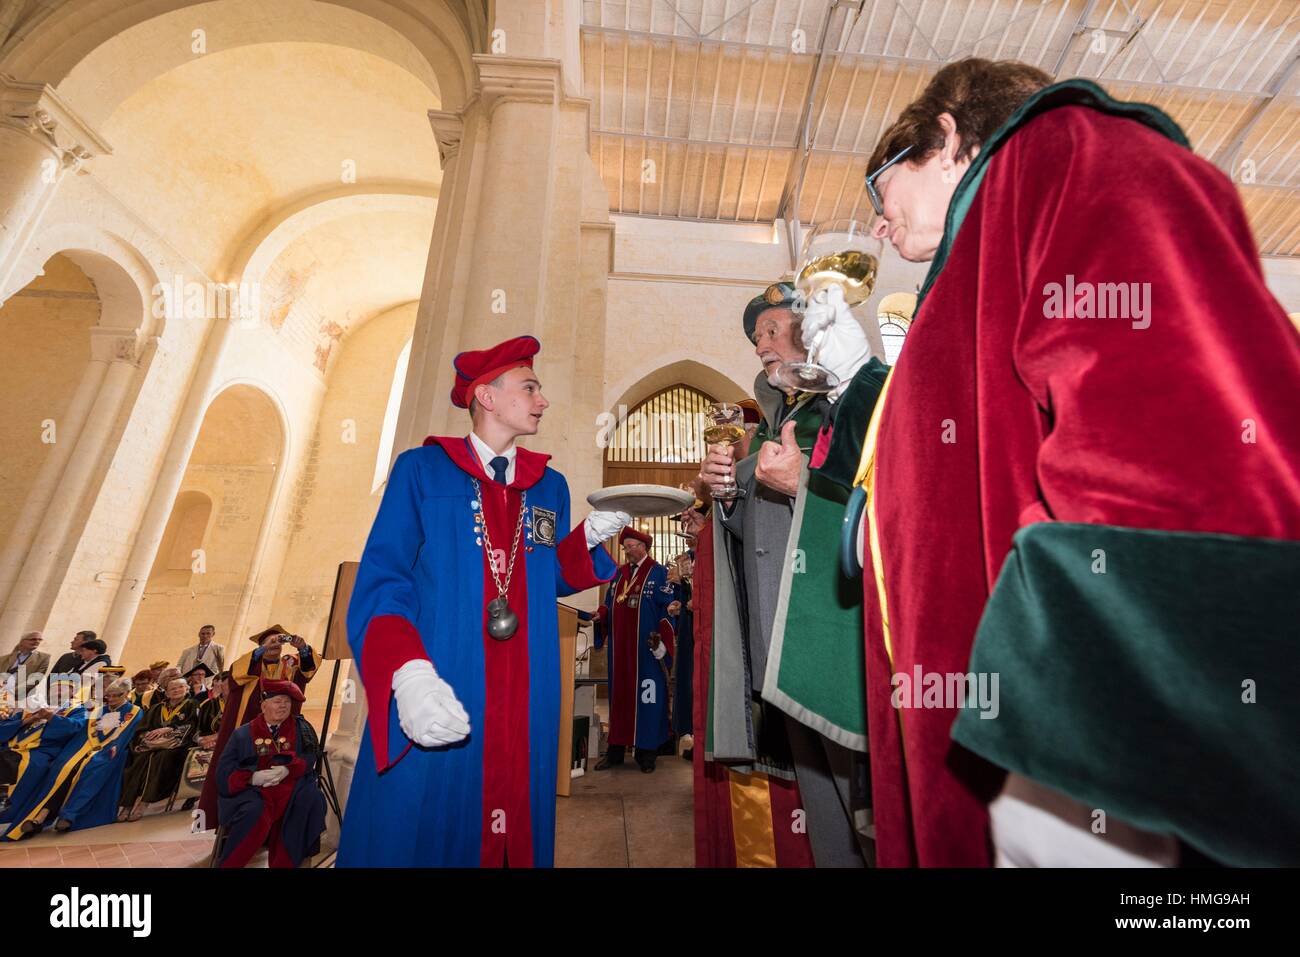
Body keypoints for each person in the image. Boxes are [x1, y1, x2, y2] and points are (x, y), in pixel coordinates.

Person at [855, 58, 1300, 867]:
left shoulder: (1063, 150)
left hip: (1077, 756)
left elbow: (1178, 425)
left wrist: (1090, 728)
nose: (878, 226)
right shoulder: (961, 271)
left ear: (946, 135)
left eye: (879, 186)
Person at [337, 334, 625, 867]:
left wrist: (584, 540)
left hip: (527, 685)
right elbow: (384, 578)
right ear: (486, 397)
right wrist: (407, 673)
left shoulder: (548, 486)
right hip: (446, 674)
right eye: (530, 387)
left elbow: (545, 577)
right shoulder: (422, 471)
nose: (542, 401)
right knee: (427, 815)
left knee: (514, 812)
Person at [698, 281, 886, 867]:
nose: (762, 345)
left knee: (871, 817)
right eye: (758, 338)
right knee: (826, 818)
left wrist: (799, 484)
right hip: (779, 641)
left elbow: (886, 499)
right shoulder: (779, 420)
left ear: (813, 329)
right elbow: (752, 532)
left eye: (773, 330)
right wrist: (728, 498)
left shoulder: (855, 404)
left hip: (831, 639)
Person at [196, 626, 315, 829]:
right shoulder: (249, 664)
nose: (275, 644)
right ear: (261, 646)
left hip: (281, 730)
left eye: (279, 641)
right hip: (247, 727)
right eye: (270, 641)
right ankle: (234, 824)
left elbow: (307, 671)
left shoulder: (289, 666)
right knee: (245, 774)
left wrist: (303, 649)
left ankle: (272, 824)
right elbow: (234, 675)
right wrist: (262, 650)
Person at [4, 672, 142, 838]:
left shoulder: (131, 711)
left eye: (115, 695)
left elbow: (119, 735)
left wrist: (50, 718)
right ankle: (41, 815)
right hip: (79, 748)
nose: (110, 699)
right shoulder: (98, 710)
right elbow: (86, 733)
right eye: (108, 695)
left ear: (127, 693)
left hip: (108, 752)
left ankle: (68, 815)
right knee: (63, 767)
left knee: (90, 769)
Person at [214, 680, 326, 868]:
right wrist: (251, 777)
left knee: (310, 798)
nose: (283, 705)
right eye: (277, 701)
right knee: (254, 811)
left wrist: (288, 770)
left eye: (287, 702)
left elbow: (309, 757)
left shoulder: (302, 729)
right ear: (263, 705)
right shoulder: (242, 734)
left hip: (292, 787)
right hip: (254, 791)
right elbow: (223, 772)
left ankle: (289, 863)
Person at [593, 526, 677, 773]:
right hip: (620, 652)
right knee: (619, 700)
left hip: (647, 651)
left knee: (648, 700)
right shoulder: (619, 575)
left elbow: (669, 610)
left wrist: (663, 644)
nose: (628, 551)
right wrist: (600, 614)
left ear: (644, 547)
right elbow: (610, 604)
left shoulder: (660, 573)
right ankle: (615, 752)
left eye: (631, 546)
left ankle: (646, 754)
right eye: (625, 547)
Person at [117, 676, 198, 821]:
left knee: (160, 759)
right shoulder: (157, 708)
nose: (177, 690)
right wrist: (147, 735)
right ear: (166, 692)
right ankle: (127, 804)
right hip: (151, 746)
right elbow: (142, 728)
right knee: (138, 759)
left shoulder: (192, 705)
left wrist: (168, 729)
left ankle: (144, 803)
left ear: (187, 689)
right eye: (172, 688)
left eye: (181, 687)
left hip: (175, 748)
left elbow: (192, 726)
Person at [0, 683, 87, 816]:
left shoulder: (78, 710)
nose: (58, 691)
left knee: (16, 763)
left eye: (63, 688)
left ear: (72, 693)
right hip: (11, 746)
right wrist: (28, 720)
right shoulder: (32, 706)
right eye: (55, 688)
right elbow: (4, 726)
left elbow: (73, 728)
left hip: (41, 750)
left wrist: (50, 717)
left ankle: (5, 808)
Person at [0, 632, 49, 697]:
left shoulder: (43, 658)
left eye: (40, 639)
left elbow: (35, 679)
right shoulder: (5, 658)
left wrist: (12, 692)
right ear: (22, 641)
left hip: (17, 696)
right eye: (33, 639)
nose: (37, 641)